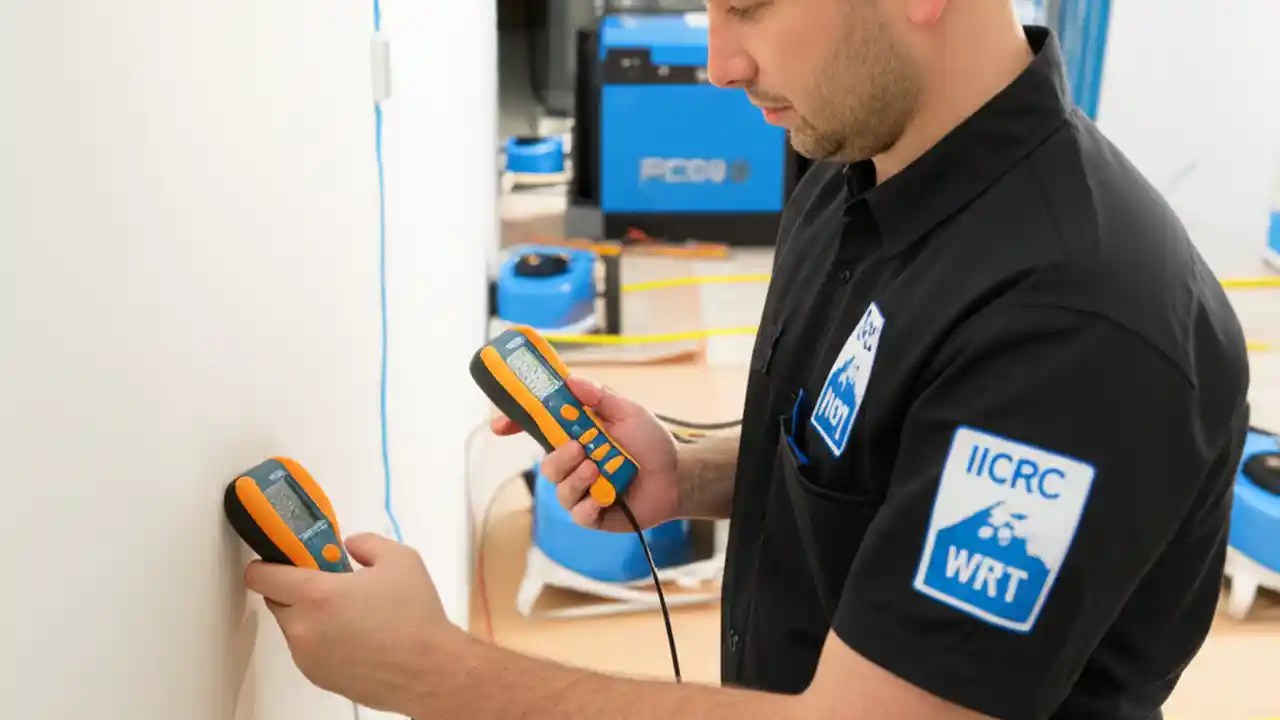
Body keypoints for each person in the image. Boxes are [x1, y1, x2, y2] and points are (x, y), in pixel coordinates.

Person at [244, 1, 1251, 718]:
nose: (719, 61)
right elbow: (883, 449)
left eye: (750, 5)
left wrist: (433, 672)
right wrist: (692, 471)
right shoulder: (851, 165)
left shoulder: (1077, 326)